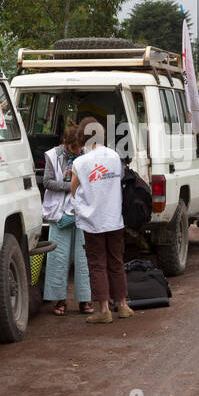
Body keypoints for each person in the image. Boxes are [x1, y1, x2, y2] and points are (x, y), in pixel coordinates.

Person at [70, 119, 132, 325]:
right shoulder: (114, 156)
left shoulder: (81, 162)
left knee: (97, 263)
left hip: (92, 220)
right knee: (116, 260)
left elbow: (73, 188)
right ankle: (122, 305)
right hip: (114, 218)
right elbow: (119, 179)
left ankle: (104, 309)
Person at [41, 123, 93, 316]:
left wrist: (78, 187)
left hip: (83, 213)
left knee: (84, 257)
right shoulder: (52, 155)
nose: (78, 151)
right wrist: (70, 186)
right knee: (58, 257)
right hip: (59, 213)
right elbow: (47, 181)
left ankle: (85, 300)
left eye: (80, 147)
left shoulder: (87, 154)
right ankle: (60, 300)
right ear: (65, 143)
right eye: (74, 148)